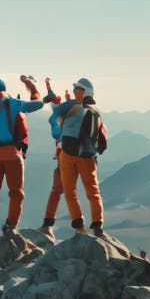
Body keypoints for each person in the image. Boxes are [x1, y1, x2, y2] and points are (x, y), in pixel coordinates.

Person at [0, 51, 55, 236]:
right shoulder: (12, 102)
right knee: (16, 192)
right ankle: (10, 225)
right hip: (11, 153)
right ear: (3, 88)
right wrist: (45, 99)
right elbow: (35, 105)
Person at [50, 78, 108, 236]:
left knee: (70, 191)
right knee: (93, 192)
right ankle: (97, 225)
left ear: (84, 91)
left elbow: (56, 114)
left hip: (67, 154)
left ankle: (78, 225)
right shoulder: (97, 112)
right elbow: (103, 137)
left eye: (77, 88)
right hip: (88, 157)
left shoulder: (74, 108)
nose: (75, 90)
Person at [38, 86, 72, 240]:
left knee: (58, 191)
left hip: (64, 158)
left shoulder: (60, 122)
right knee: (89, 191)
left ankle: (47, 225)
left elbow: (55, 124)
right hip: (84, 158)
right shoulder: (75, 115)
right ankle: (93, 226)